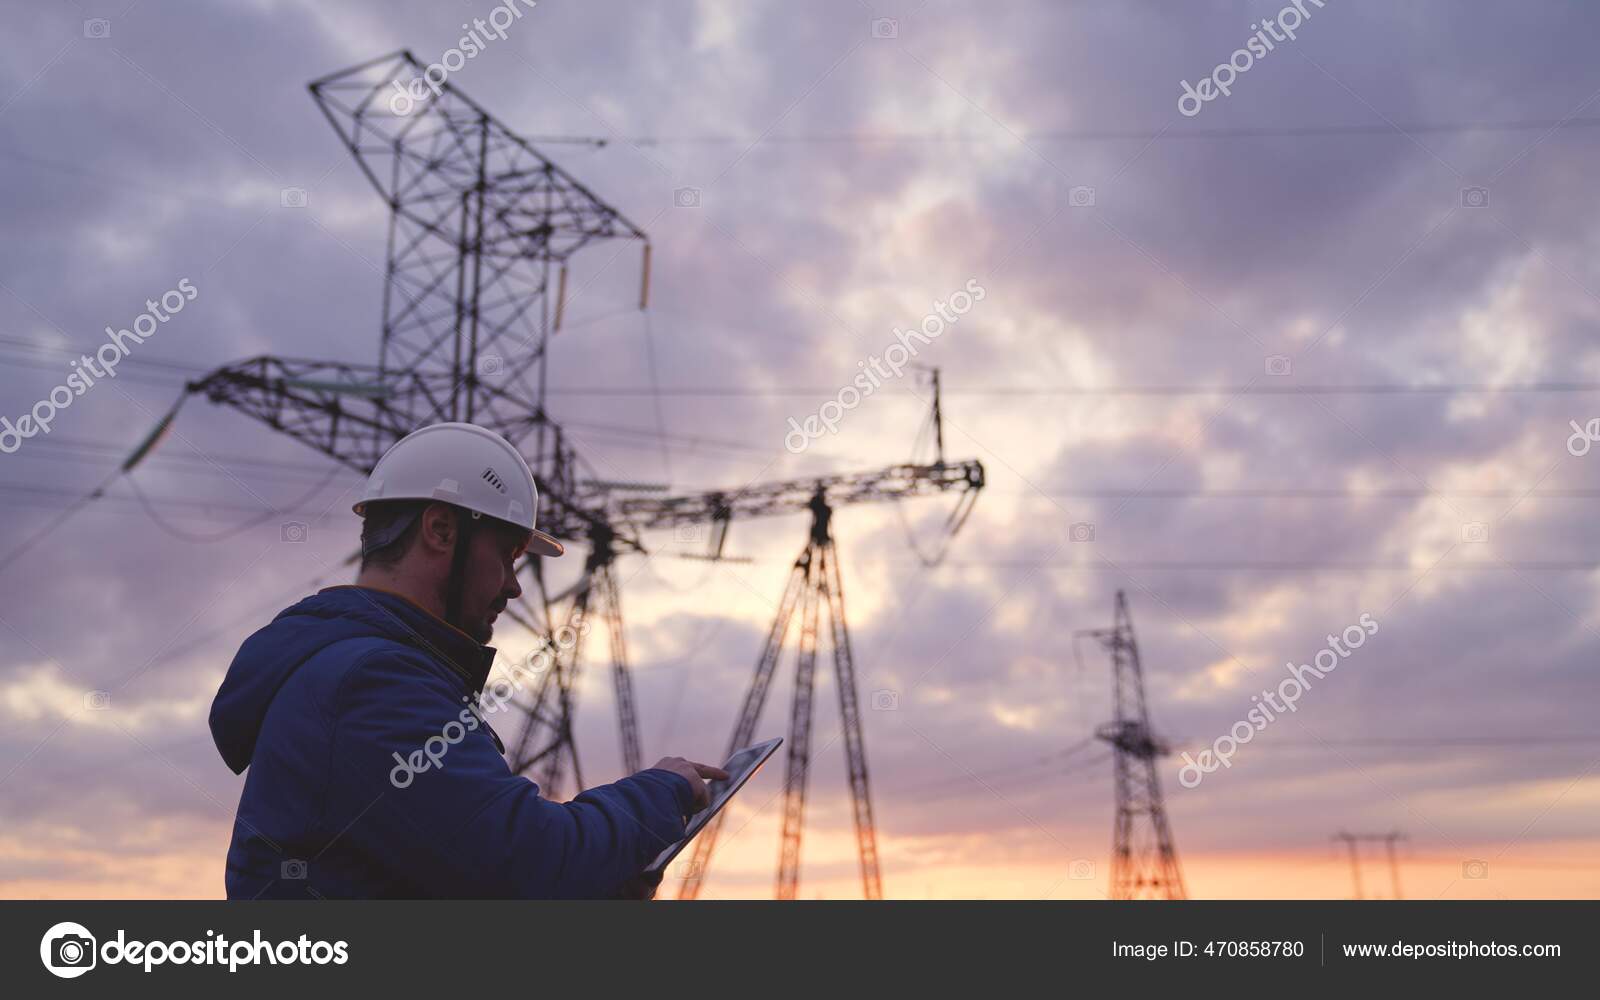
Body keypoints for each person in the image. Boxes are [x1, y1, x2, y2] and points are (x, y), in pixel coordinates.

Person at [209, 421, 726, 898]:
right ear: (441, 531)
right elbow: (529, 859)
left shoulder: (354, 671)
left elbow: (471, 877)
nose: (514, 586)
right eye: (507, 556)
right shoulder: (373, 685)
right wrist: (663, 793)